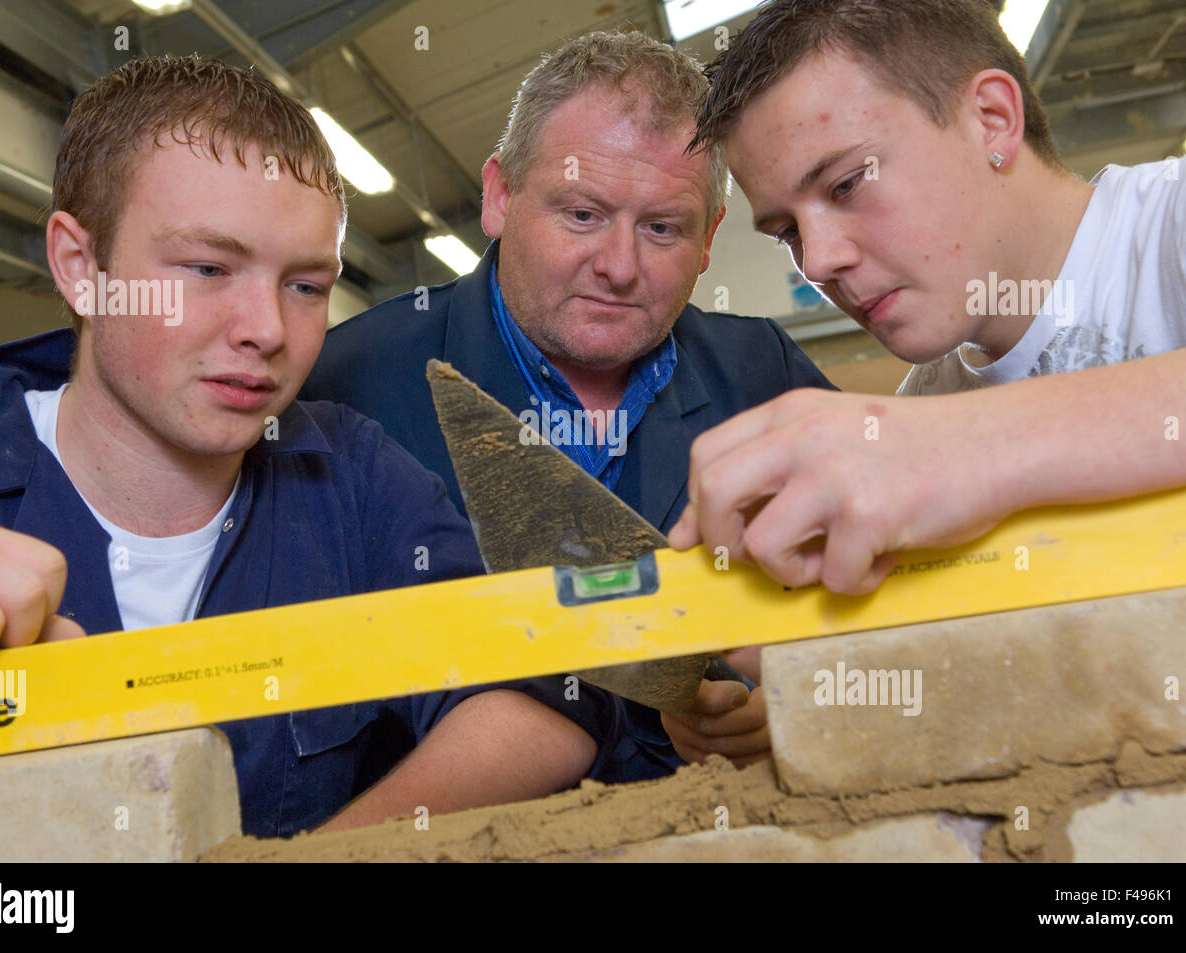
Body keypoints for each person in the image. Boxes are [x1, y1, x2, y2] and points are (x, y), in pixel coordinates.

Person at [0, 55, 630, 839]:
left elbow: (542, 705)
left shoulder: (355, 480)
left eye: (305, 285)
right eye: (208, 267)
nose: (265, 328)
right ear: (80, 267)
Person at [303, 31, 836, 780]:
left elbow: (872, 615)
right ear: (499, 195)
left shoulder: (765, 373)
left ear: (710, 237)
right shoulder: (342, 388)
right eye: (582, 214)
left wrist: (774, 696)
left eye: (662, 228)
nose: (619, 267)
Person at [671, 0, 1186, 593]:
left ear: (991, 119)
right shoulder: (922, 416)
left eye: (847, 184)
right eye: (788, 232)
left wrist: (977, 444)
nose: (818, 260)